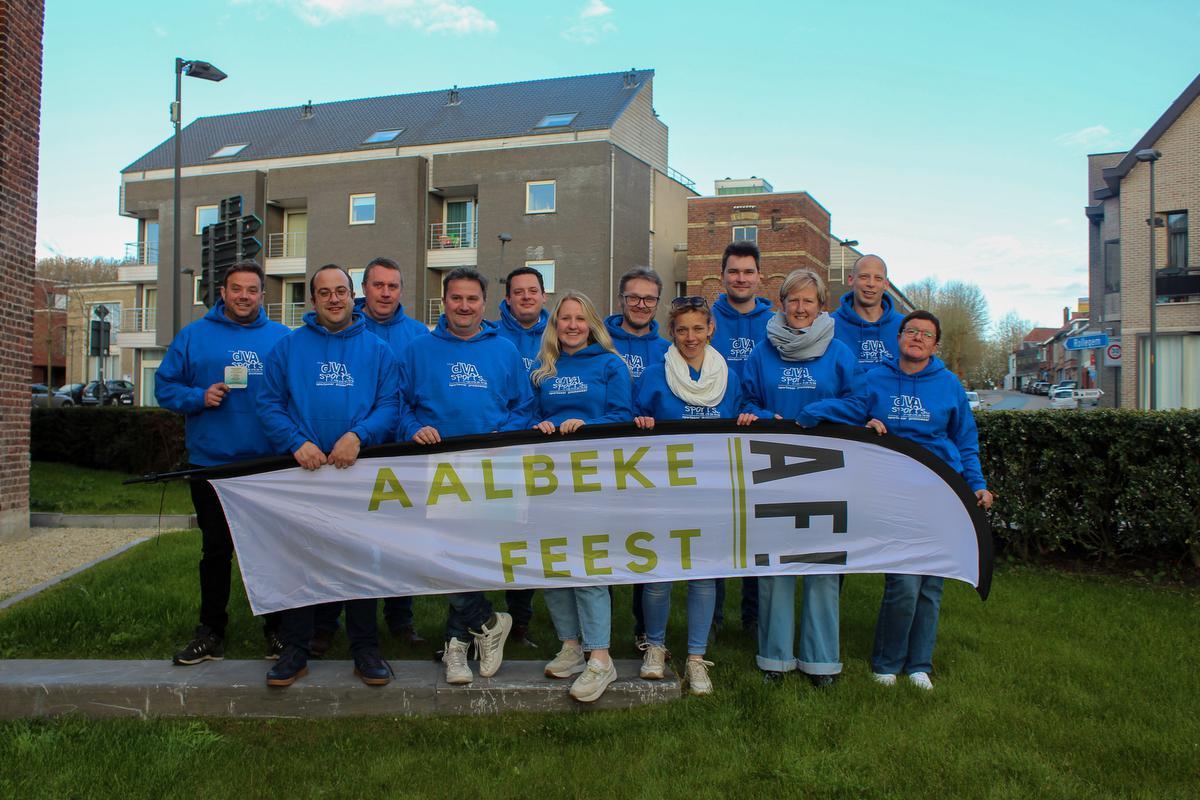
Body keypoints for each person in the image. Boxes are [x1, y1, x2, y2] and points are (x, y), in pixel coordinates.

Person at [798, 310, 994, 690]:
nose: (917, 337)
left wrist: (978, 485)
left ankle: (919, 664)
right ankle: (886, 663)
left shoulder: (949, 385)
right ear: (899, 337)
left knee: (932, 584)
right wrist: (860, 425)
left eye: (926, 334)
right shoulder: (875, 380)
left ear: (935, 345)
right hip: (893, 495)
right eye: (911, 331)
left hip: (941, 493)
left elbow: (966, 443)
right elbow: (817, 414)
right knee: (904, 582)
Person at [257, 264, 400, 688]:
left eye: (341, 291)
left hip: (357, 473)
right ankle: (295, 651)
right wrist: (295, 441)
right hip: (305, 473)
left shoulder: (377, 351)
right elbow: (269, 404)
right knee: (301, 562)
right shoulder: (288, 348)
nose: (334, 299)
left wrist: (360, 434)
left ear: (353, 296)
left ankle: (365, 649)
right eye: (325, 293)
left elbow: (390, 405)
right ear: (313, 299)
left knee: (361, 562)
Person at [398, 266, 534, 685]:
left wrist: (503, 434)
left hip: (494, 469)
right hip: (440, 470)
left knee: (478, 560)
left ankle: (456, 647)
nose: (464, 306)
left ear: (484, 303)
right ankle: (490, 622)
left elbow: (524, 408)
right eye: (456, 298)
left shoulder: (505, 350)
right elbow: (400, 405)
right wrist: (411, 429)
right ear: (444, 302)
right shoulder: (419, 350)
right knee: (445, 559)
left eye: (472, 299)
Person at [156, 260, 290, 665]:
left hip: (269, 464)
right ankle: (210, 631)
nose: (244, 296)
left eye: (252, 289)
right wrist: (198, 397)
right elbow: (165, 387)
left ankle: (278, 631)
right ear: (222, 292)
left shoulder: (283, 339)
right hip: (211, 464)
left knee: (269, 551)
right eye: (236, 289)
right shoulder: (194, 336)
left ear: (263, 295)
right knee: (216, 551)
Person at [633, 295, 756, 695]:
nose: (690, 336)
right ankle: (655, 646)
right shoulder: (654, 375)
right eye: (682, 329)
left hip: (710, 490)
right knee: (660, 574)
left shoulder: (729, 379)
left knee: (704, 574)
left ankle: (697, 658)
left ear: (710, 330)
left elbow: (739, 424)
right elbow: (631, 425)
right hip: (663, 490)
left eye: (697, 328)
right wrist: (640, 423)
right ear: (672, 332)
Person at [741, 269, 858, 687]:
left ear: (821, 306)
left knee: (823, 568)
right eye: (793, 300)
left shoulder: (840, 353)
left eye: (809, 301)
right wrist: (759, 414)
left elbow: (858, 402)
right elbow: (747, 398)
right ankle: (774, 658)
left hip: (826, 470)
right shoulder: (762, 352)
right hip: (774, 470)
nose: (801, 308)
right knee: (776, 566)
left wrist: (814, 414)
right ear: (782, 304)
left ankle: (821, 662)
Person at [309, 257, 430, 655]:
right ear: (363, 289)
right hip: (348, 456)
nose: (385, 293)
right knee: (335, 543)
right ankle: (327, 622)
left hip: (400, 455)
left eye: (393, 286)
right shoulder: (347, 331)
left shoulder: (417, 335)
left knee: (399, 543)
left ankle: (400, 619)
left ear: (401, 290)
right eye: (377, 285)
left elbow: (415, 398)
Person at [530, 291, 634, 702]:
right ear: (554, 326)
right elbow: (529, 414)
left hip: (594, 477)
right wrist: (538, 426)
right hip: (550, 479)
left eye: (579, 318)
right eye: (564, 319)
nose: (572, 325)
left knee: (589, 566)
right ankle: (571, 646)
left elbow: (623, 416)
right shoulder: (545, 369)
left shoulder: (611, 364)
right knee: (554, 563)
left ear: (592, 324)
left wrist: (585, 423)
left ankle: (601, 659)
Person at [603, 267, 670, 645]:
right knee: (607, 544)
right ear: (621, 300)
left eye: (649, 299)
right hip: (607, 456)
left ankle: (645, 630)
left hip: (652, 461)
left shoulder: (667, 348)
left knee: (647, 544)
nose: (641, 305)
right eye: (633, 297)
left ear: (657, 303)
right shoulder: (600, 342)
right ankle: (601, 631)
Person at [709, 241, 773, 634]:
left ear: (759, 277)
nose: (741, 278)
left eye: (748, 272)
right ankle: (712, 618)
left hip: (757, 434)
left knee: (757, 529)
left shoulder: (775, 322)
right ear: (723, 276)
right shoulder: (708, 317)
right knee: (716, 527)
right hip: (715, 433)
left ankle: (753, 617)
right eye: (734, 271)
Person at [493, 265, 551, 645]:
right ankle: (475, 620)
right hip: (503, 446)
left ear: (543, 295)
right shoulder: (492, 336)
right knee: (494, 533)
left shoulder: (561, 333)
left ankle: (521, 622)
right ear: (508, 298)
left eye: (533, 291)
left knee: (528, 539)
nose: (526, 297)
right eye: (519, 292)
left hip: (548, 448)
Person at [832, 254, 903, 376]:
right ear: (851, 279)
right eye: (864, 277)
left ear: (886, 284)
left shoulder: (904, 327)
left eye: (878, 278)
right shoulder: (830, 325)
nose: (871, 283)